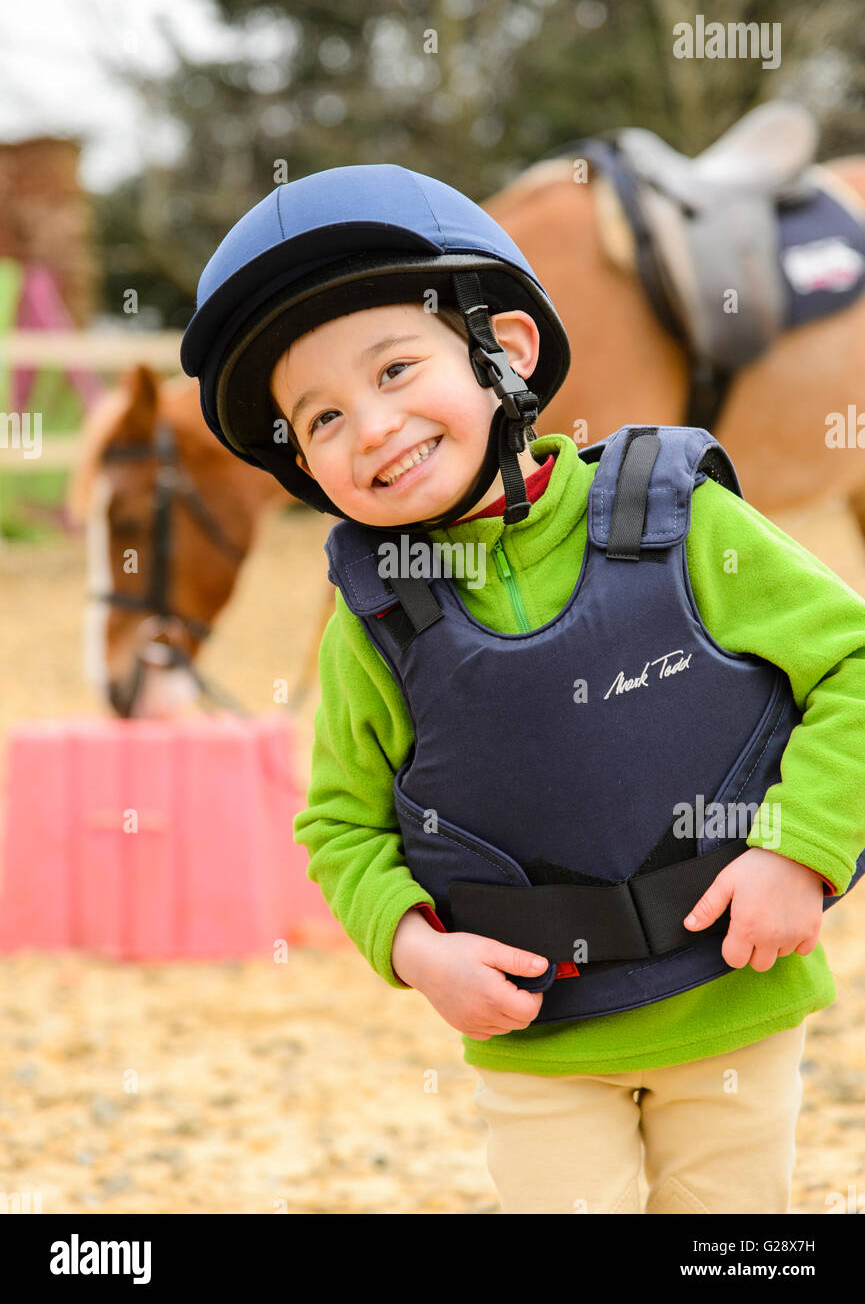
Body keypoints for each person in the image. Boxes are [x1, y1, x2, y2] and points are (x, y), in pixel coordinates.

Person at [181, 163, 865, 1215]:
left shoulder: (680, 522)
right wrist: (416, 950)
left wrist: (799, 851)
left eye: (396, 370)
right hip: (540, 1051)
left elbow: (850, 665)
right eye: (319, 419)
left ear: (504, 350)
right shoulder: (372, 628)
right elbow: (340, 826)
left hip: (733, 1008)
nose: (368, 427)